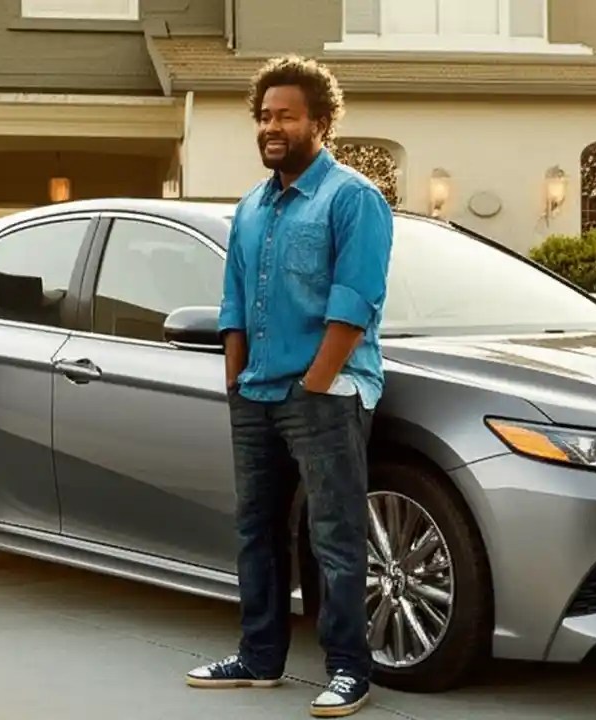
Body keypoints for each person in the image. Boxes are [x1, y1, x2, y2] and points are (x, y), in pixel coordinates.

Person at [185, 55, 393, 717]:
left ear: (321, 123)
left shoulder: (352, 198)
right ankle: (259, 657)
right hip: (257, 394)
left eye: (287, 116)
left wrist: (315, 383)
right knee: (256, 530)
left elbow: (354, 301)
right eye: (265, 116)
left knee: (334, 534)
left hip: (325, 396)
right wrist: (235, 383)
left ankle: (348, 671)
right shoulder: (250, 208)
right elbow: (233, 302)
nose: (272, 127)